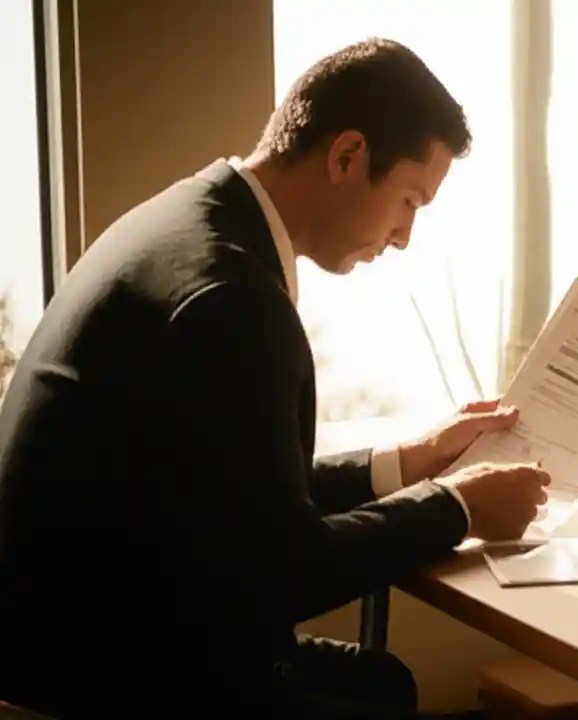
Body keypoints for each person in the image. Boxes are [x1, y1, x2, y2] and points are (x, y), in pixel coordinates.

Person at [0, 38, 549, 719]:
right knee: (373, 695)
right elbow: (282, 570)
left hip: (75, 634)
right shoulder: (232, 298)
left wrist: (408, 464)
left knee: (381, 685)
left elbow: (238, 497)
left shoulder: (184, 221)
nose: (405, 235)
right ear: (347, 156)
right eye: (410, 200)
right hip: (111, 671)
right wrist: (458, 509)